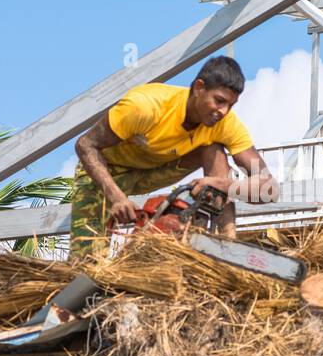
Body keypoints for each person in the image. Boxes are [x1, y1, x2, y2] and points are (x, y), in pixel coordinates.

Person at [70, 55, 277, 258]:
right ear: (199, 88)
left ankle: (228, 245)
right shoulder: (145, 106)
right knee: (88, 261)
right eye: (219, 100)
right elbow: (85, 145)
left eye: (230, 105)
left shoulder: (225, 124)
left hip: (155, 169)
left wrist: (223, 184)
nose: (223, 111)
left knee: (213, 148)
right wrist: (116, 197)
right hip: (106, 170)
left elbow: (269, 189)